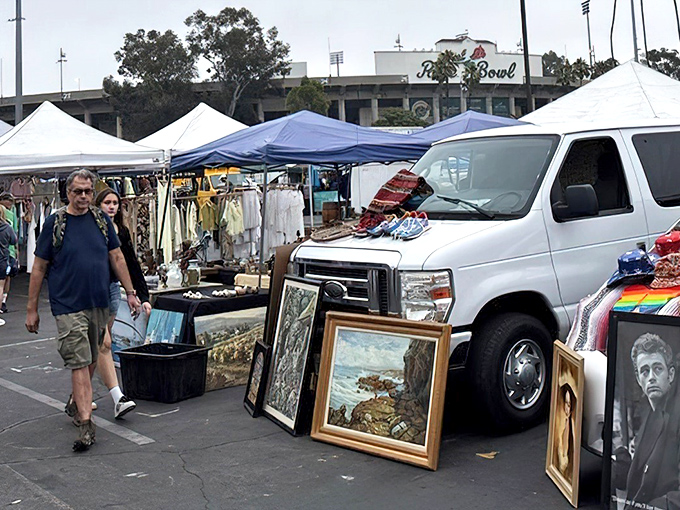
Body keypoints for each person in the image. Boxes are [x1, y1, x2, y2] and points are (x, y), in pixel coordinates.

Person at [25, 169, 141, 452]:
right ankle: (85, 424)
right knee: (79, 361)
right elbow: (39, 267)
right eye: (78, 192)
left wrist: (131, 292)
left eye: (88, 192)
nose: (83, 197)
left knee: (91, 357)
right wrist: (31, 309)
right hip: (68, 306)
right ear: (68, 193)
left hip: (99, 303)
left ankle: (75, 401)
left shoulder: (101, 221)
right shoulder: (55, 223)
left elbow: (117, 256)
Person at [94, 187, 152, 419]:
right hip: (93, 291)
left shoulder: (122, 231)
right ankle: (118, 397)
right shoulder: (92, 229)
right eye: (107, 202)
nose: (111, 206)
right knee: (104, 343)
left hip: (112, 290)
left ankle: (79, 394)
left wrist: (140, 295)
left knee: (98, 345)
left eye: (115, 203)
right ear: (98, 205)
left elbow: (130, 264)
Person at [623, 333, 680, 509]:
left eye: (658, 369)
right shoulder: (651, 415)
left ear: (670, 375)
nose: (651, 377)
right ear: (639, 379)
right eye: (645, 371)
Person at [0, 193, 18, 314]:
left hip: (8, 253)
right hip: (5, 254)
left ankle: (3, 302)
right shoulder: (7, 226)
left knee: (6, 279)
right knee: (3, 282)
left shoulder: (12, 214)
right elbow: (14, 238)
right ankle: (2, 303)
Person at [555, 383, 575, 483]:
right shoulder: (560, 422)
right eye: (566, 404)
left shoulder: (573, 426)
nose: (567, 409)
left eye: (569, 405)